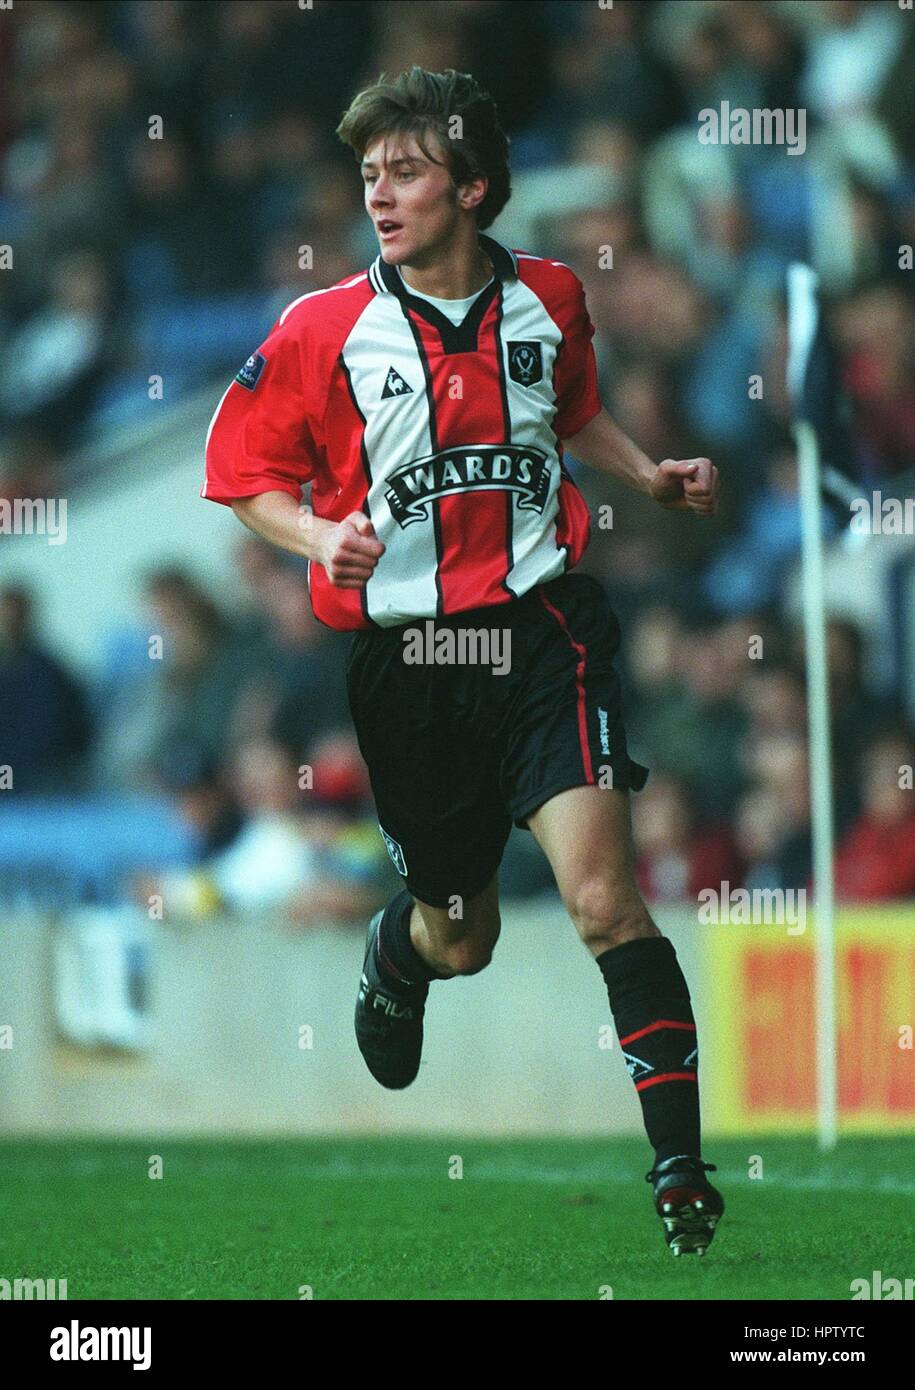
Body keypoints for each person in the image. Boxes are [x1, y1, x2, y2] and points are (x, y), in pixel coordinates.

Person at [202, 68, 722, 1256]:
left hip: (547, 631)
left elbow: (569, 408)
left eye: (407, 170)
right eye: (370, 173)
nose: (379, 193)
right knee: (466, 935)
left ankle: (682, 1172)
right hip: (411, 660)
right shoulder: (320, 329)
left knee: (604, 899)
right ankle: (399, 950)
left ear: (473, 187)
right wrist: (316, 532)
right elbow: (244, 476)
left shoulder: (549, 296)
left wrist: (645, 473)